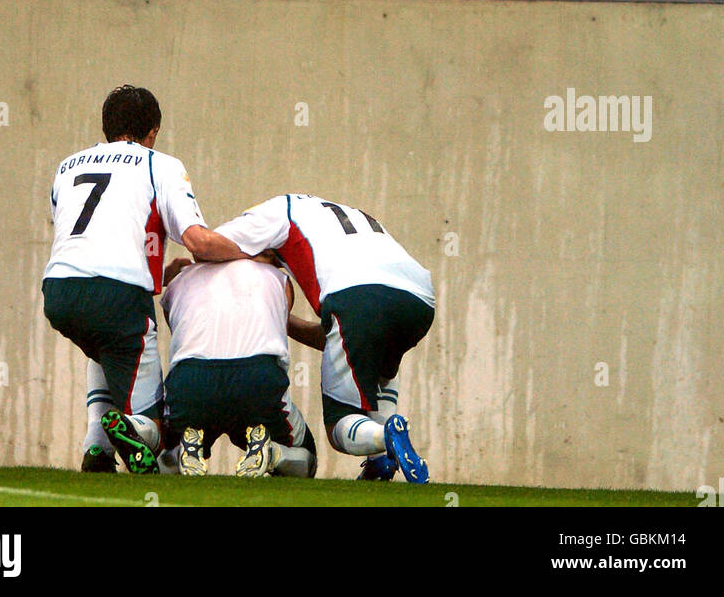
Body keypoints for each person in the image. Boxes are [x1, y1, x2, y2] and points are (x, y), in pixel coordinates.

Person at [42, 83, 246, 472]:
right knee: (151, 426)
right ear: (152, 132)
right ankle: (135, 427)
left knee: (103, 347)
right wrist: (248, 252)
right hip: (116, 297)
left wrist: (159, 273)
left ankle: (96, 448)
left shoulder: (67, 166)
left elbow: (93, 234)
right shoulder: (160, 164)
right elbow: (197, 241)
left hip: (59, 291)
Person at [216, 192, 434, 482]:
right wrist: (286, 322)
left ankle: (386, 435)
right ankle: (381, 462)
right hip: (420, 301)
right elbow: (340, 337)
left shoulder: (277, 210)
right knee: (377, 364)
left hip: (358, 297)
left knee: (339, 426)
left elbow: (206, 244)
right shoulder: (345, 215)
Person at [160, 256, 318, 478]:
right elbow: (277, 321)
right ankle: (273, 453)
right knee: (306, 454)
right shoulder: (279, 278)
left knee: (161, 449)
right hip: (256, 380)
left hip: (192, 380)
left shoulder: (181, 279)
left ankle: (182, 452)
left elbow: (176, 327)